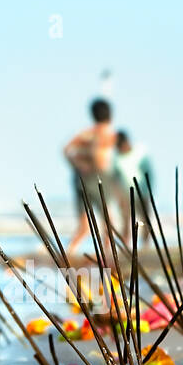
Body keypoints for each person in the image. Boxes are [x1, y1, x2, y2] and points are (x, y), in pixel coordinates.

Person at [63, 99, 117, 253]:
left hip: (79, 179)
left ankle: (70, 252)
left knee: (84, 225)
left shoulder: (85, 133)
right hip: (97, 178)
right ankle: (108, 254)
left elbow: (66, 150)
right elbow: (98, 155)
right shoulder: (104, 132)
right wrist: (94, 165)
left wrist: (78, 166)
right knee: (108, 222)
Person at [112, 130, 154, 225]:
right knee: (126, 222)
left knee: (145, 220)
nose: (119, 149)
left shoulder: (140, 152)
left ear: (126, 142)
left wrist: (147, 191)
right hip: (125, 195)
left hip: (142, 192)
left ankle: (145, 240)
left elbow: (149, 172)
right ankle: (126, 240)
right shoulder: (116, 158)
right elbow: (115, 179)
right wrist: (119, 196)